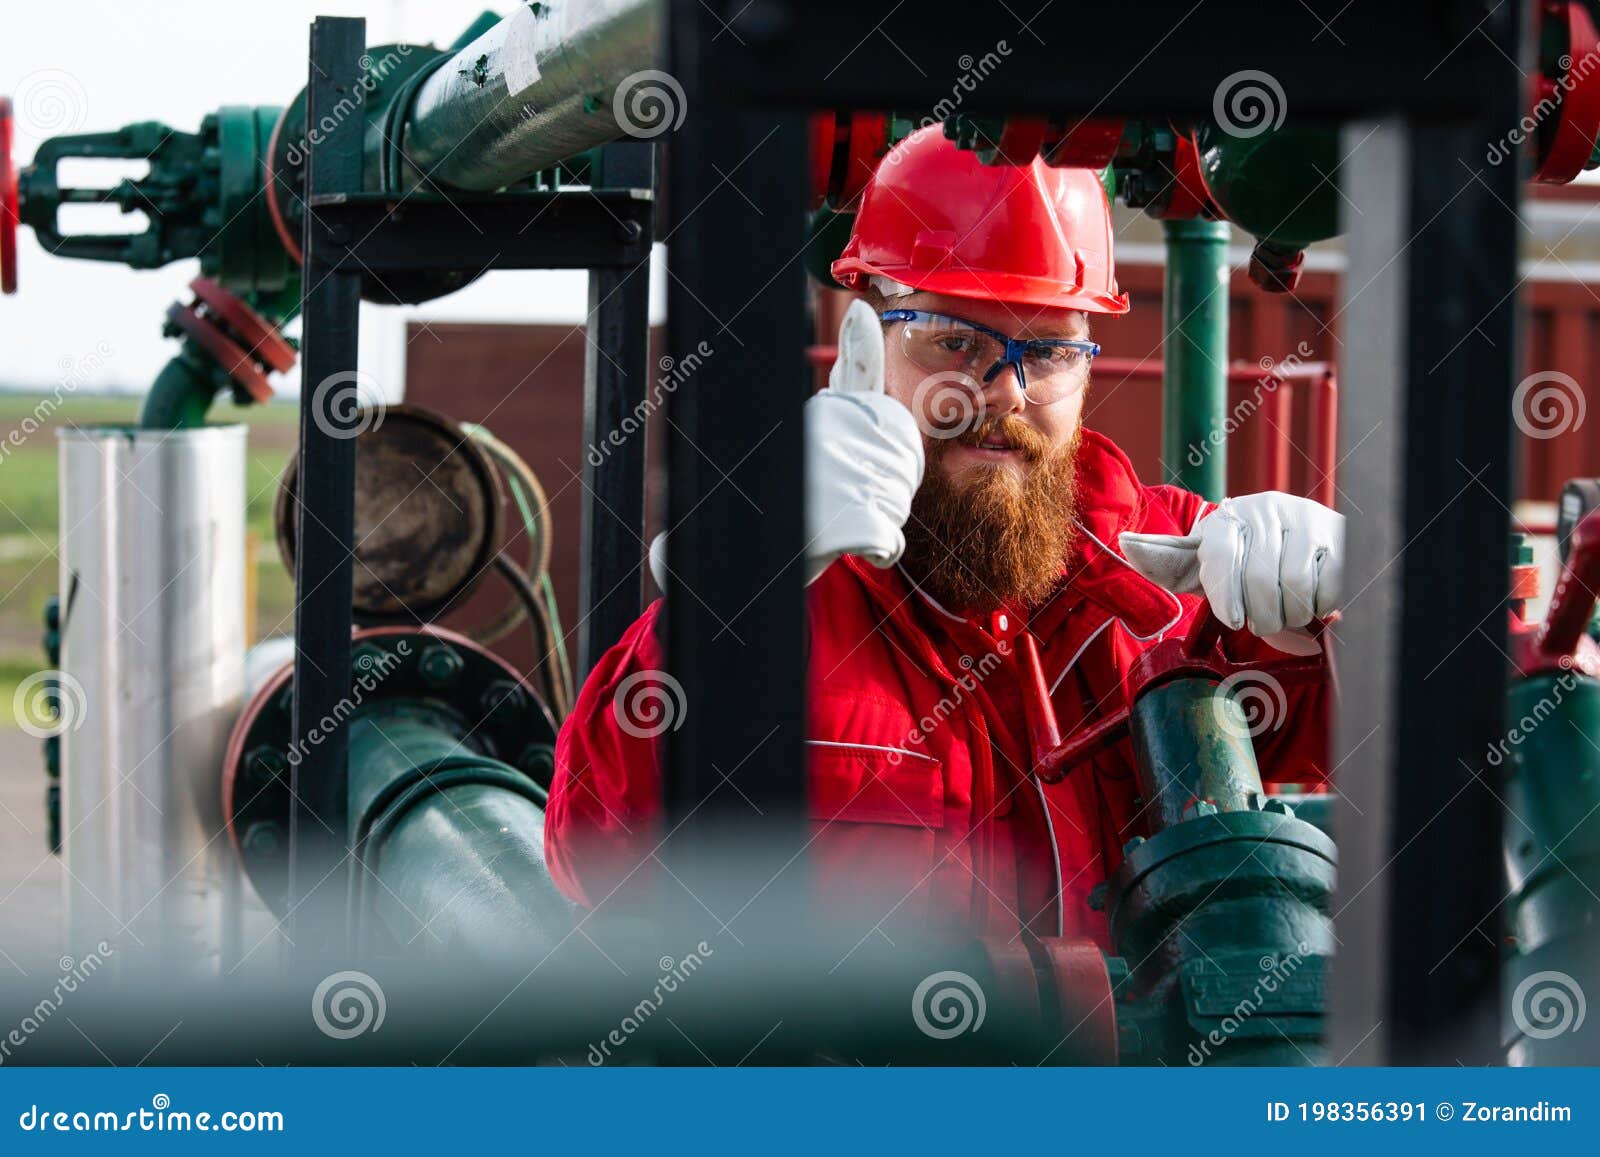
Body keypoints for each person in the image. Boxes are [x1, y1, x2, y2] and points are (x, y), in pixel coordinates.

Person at [544, 125, 1341, 947]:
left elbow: (1450, 747)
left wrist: (1348, 615)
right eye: (956, 342)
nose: (1004, 392)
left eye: (1052, 349)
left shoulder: (1174, 579)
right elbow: (596, 850)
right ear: (868, 345)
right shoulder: (793, 579)